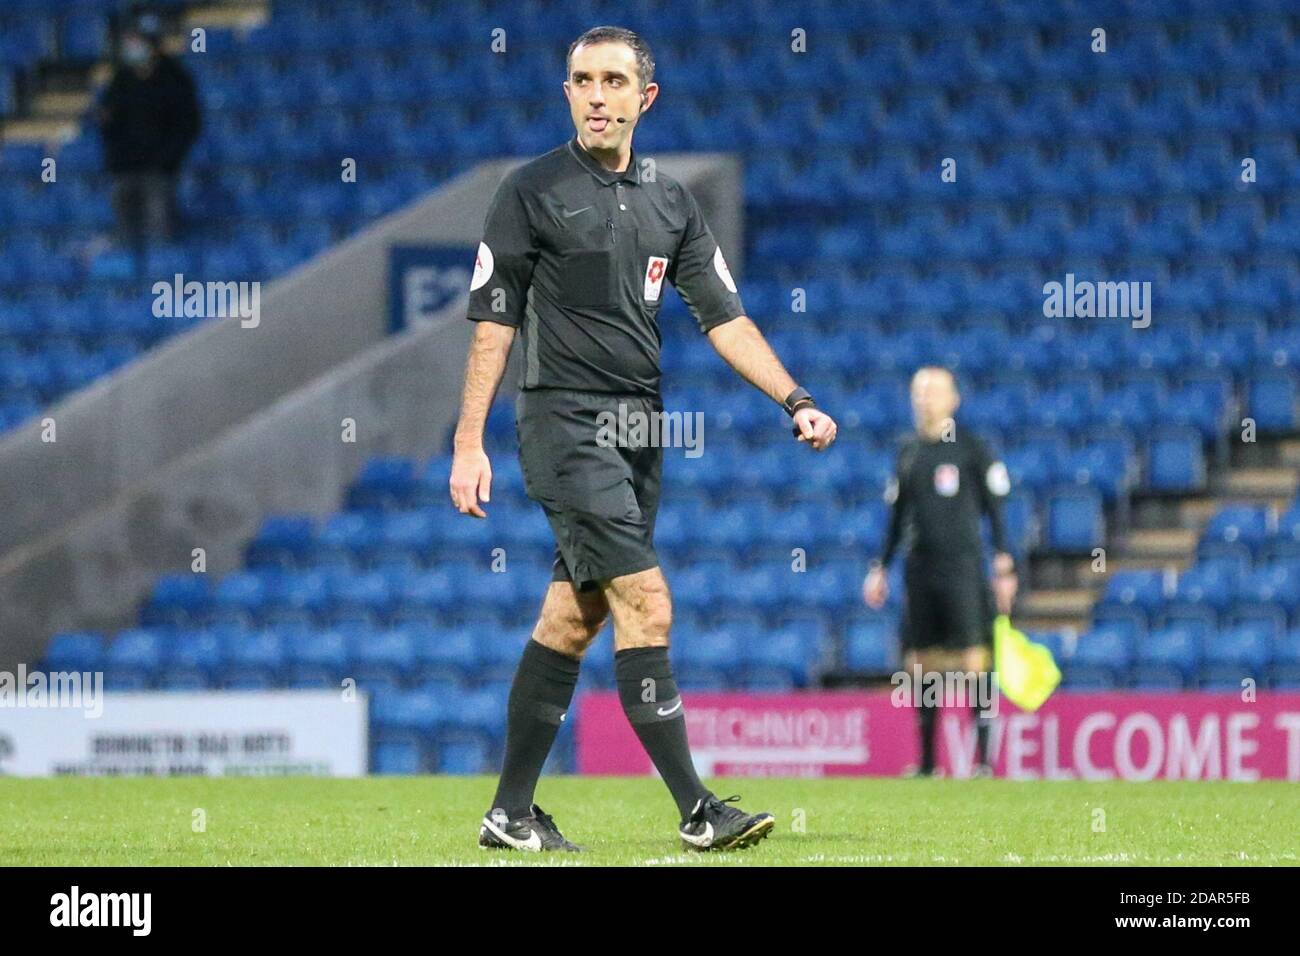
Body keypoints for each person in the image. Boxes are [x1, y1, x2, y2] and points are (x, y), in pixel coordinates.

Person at [449, 26, 838, 852]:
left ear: (644, 98)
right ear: (567, 93)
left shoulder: (671, 201)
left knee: (572, 617)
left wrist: (793, 397)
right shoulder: (529, 190)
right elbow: (493, 318)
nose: (596, 95)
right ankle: (698, 810)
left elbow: (724, 318)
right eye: (582, 80)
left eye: (614, 81)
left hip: (639, 428)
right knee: (647, 601)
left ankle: (510, 813)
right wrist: (467, 441)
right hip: (563, 421)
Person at [863, 367, 1017, 777]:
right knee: (923, 663)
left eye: (932, 391)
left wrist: (1004, 562)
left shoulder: (972, 448)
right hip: (919, 570)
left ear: (954, 399)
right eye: (918, 391)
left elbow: (996, 508)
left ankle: (983, 762)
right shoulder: (908, 451)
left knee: (974, 659)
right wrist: (881, 566)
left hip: (964, 568)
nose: (923, 399)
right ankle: (930, 764)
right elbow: (896, 516)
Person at [98, 14, 201, 256]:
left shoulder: (175, 78)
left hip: (160, 169)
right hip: (124, 169)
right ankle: (129, 280)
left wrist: (168, 159)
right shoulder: (121, 79)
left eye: (137, 41)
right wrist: (115, 155)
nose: (132, 46)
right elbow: (108, 120)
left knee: (159, 231)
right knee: (125, 233)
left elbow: (188, 124)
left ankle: (161, 276)